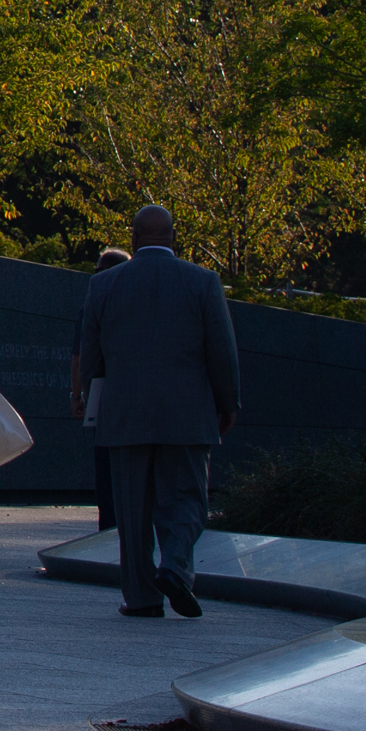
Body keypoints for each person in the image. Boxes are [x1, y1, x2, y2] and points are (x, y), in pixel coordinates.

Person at [76, 204, 241, 618]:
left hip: (124, 415)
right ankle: (175, 566)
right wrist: (227, 403)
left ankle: (142, 597)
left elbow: (92, 355)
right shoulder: (203, 282)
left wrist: (86, 401)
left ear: (132, 239)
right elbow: (222, 351)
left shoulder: (104, 285)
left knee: (132, 513)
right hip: (187, 413)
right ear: (173, 237)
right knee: (187, 500)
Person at [69, 245, 134, 528]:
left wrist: (77, 395)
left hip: (107, 398)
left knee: (108, 471)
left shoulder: (94, 302)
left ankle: (108, 532)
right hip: (143, 401)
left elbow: (81, 356)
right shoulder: (141, 301)